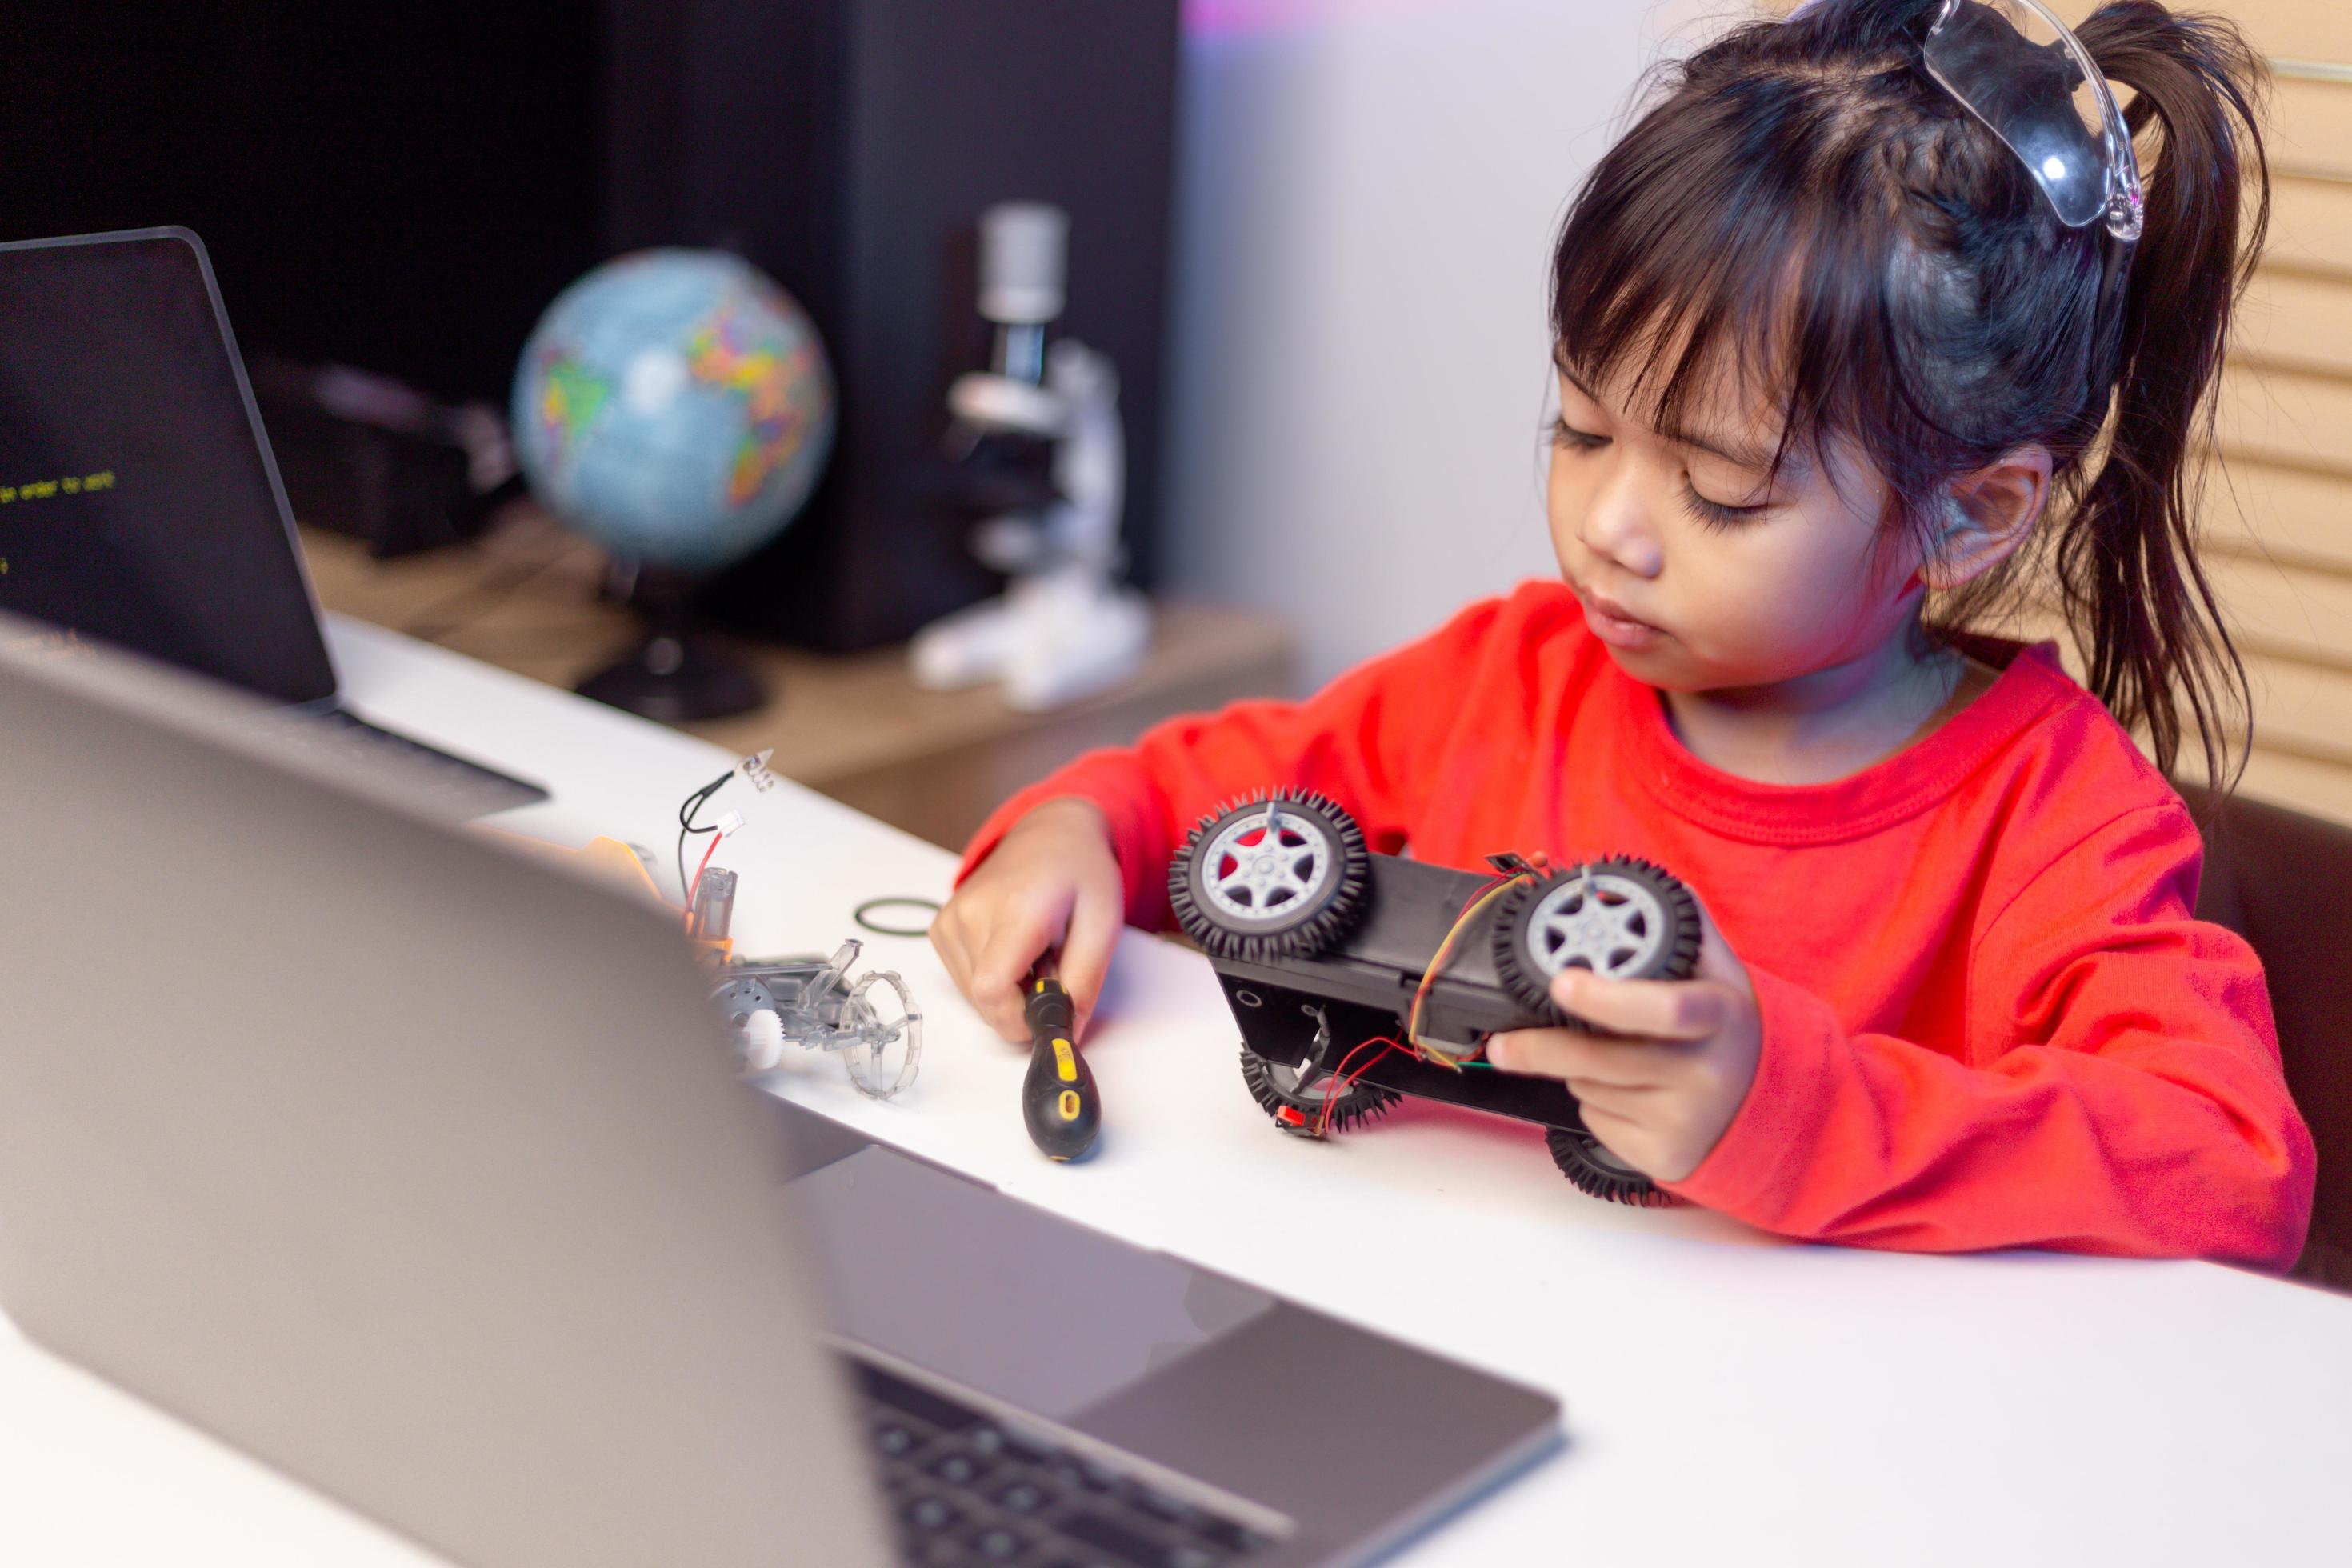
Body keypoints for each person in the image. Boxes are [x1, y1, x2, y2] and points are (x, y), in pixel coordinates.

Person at [930, 0, 2316, 1266]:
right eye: (1581, 429)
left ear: (1973, 514)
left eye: (1721, 490)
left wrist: (1790, 1104)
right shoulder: (1508, 678)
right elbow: (1188, 793)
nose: (1610, 527)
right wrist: (1074, 827)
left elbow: (2232, 1170)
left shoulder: (2055, 822)